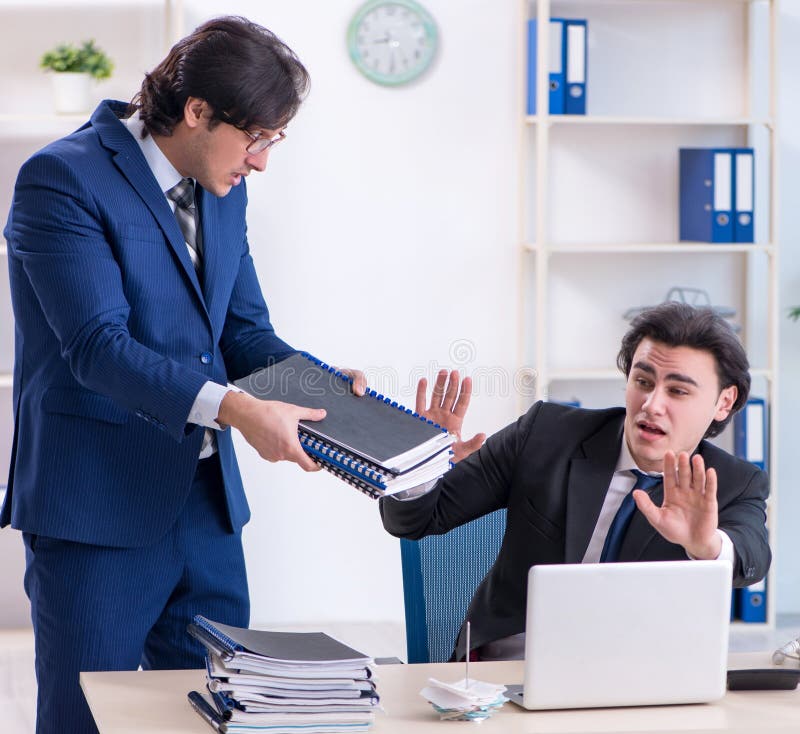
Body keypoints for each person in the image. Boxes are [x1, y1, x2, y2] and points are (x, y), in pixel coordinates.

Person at [2, 16, 371, 734]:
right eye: (256, 138)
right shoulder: (61, 178)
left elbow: (242, 332)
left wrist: (322, 387)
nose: (261, 162)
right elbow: (97, 346)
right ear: (197, 112)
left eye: (274, 141)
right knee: (85, 719)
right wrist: (237, 409)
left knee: (222, 714)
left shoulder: (222, 183)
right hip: (97, 510)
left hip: (206, 510)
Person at [381, 302, 772, 662]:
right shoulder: (545, 434)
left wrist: (704, 546)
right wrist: (421, 461)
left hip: (639, 678)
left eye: (678, 390)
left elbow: (752, 557)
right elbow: (415, 520)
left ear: (724, 401)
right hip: (509, 668)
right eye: (643, 381)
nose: (652, 404)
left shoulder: (735, 483)